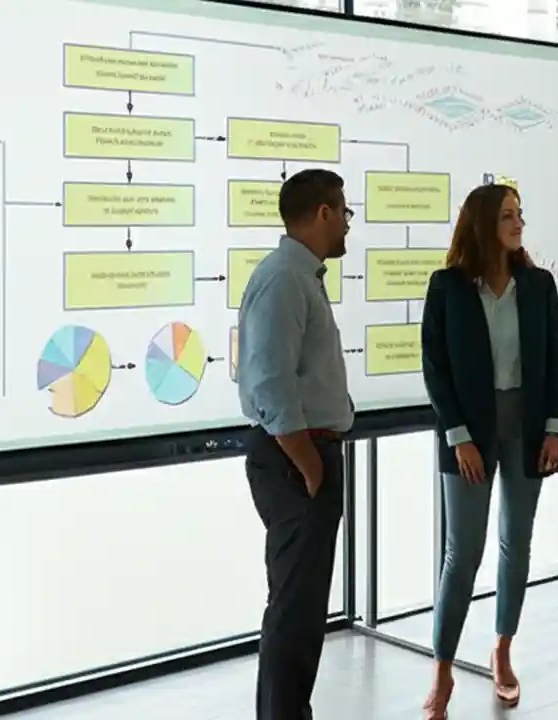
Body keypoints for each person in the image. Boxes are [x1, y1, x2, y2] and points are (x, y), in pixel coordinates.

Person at [419, 182, 558, 719]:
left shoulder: (538, 284)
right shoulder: (447, 287)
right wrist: (459, 437)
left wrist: (554, 429)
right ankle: (442, 671)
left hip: (527, 429)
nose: (519, 223)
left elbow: (555, 360)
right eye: (508, 215)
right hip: (468, 437)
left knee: (517, 544)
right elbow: (434, 368)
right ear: (483, 222)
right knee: (462, 556)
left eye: (520, 214)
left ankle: (502, 649)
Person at [238, 168, 355, 720]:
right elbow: (270, 382)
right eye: (345, 212)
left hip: (305, 456)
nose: (348, 224)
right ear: (324, 214)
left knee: (303, 612)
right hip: (294, 460)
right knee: (294, 612)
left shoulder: (299, 276)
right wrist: (309, 466)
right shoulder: (284, 279)